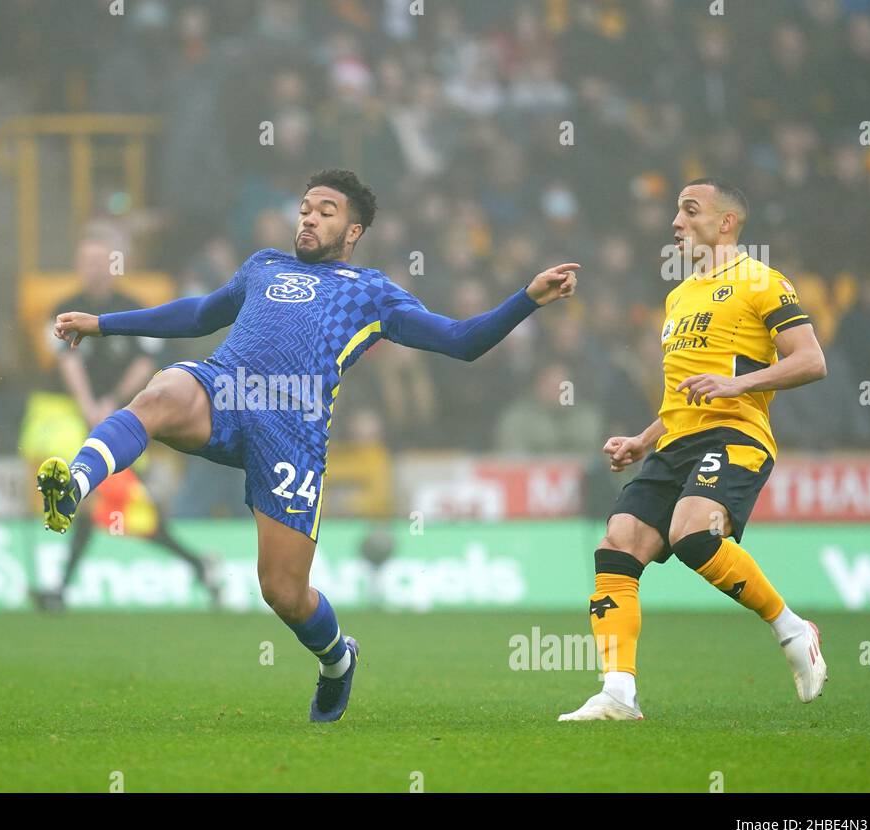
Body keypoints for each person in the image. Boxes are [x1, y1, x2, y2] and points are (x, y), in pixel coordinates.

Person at [39, 169, 578, 723]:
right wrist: (103, 323)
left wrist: (527, 300)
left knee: (283, 592)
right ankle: (76, 483)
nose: (309, 218)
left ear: (353, 231)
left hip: (291, 433)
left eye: (325, 210)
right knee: (160, 392)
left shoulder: (371, 292)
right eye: (304, 208)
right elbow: (200, 314)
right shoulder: (263, 265)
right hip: (225, 389)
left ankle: (338, 660)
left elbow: (462, 342)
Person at [560, 179, 829, 722]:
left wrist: (738, 386)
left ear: (726, 223)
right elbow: (683, 397)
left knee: (691, 532)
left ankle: (793, 629)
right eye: (676, 213)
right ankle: (618, 692)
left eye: (690, 211)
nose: (676, 224)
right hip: (676, 441)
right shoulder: (678, 297)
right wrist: (642, 439)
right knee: (618, 542)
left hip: (735, 435)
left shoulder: (763, 282)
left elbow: (811, 360)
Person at [28, 235, 223, 612]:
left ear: (115, 264)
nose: (94, 268)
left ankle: (198, 565)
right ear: (79, 266)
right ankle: (60, 591)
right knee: (98, 505)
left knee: (130, 514)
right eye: (87, 261)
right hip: (79, 419)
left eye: (101, 261)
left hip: (122, 423)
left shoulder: (130, 309)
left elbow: (143, 363)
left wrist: (113, 404)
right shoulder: (65, 308)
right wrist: (88, 406)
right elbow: (66, 362)